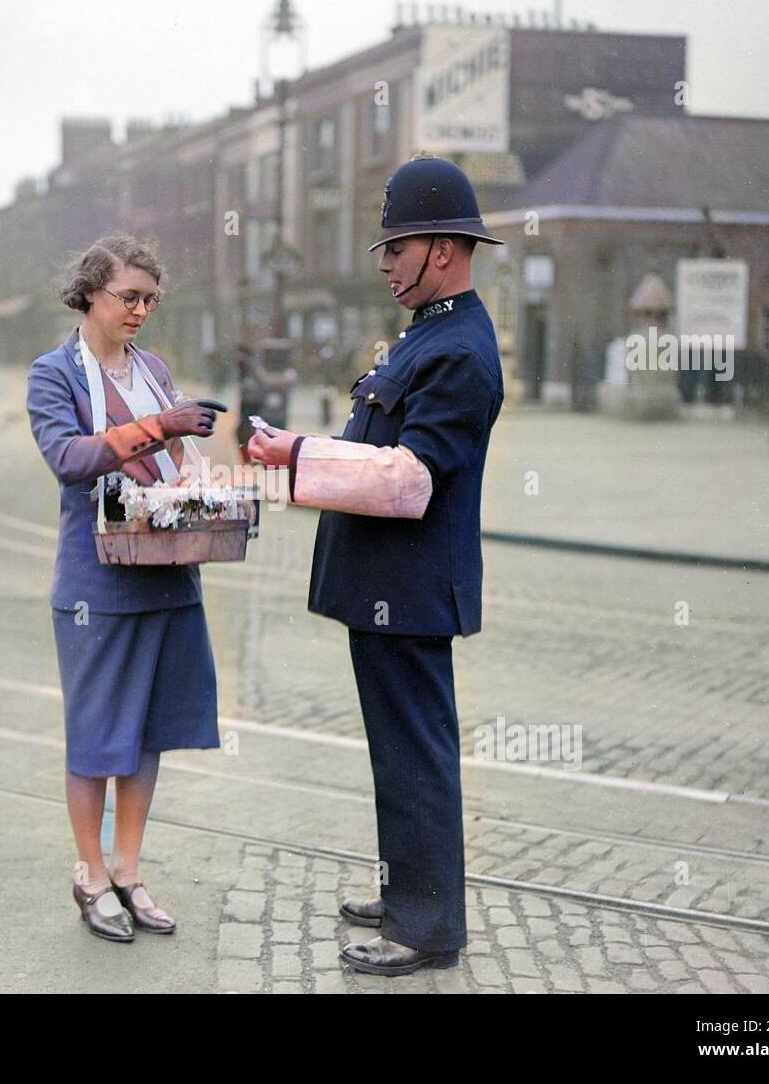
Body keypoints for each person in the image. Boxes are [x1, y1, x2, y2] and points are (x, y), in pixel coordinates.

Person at [249, 155, 505, 977]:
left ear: (442, 248)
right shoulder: (431, 334)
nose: (385, 261)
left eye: (396, 247)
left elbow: (413, 478)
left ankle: (426, 927)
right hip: (387, 589)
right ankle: (407, 889)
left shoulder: (459, 351)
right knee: (396, 749)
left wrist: (297, 454)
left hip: (412, 589)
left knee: (414, 754)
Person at [25, 234, 224, 944]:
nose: (141, 311)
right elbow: (69, 459)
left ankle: (129, 871)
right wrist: (156, 426)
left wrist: (203, 475)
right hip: (95, 583)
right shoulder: (55, 375)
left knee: (146, 733)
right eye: (129, 297)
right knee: (96, 734)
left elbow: (179, 460)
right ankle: (89, 874)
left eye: (151, 300)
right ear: (90, 294)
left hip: (168, 572)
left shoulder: (155, 369)